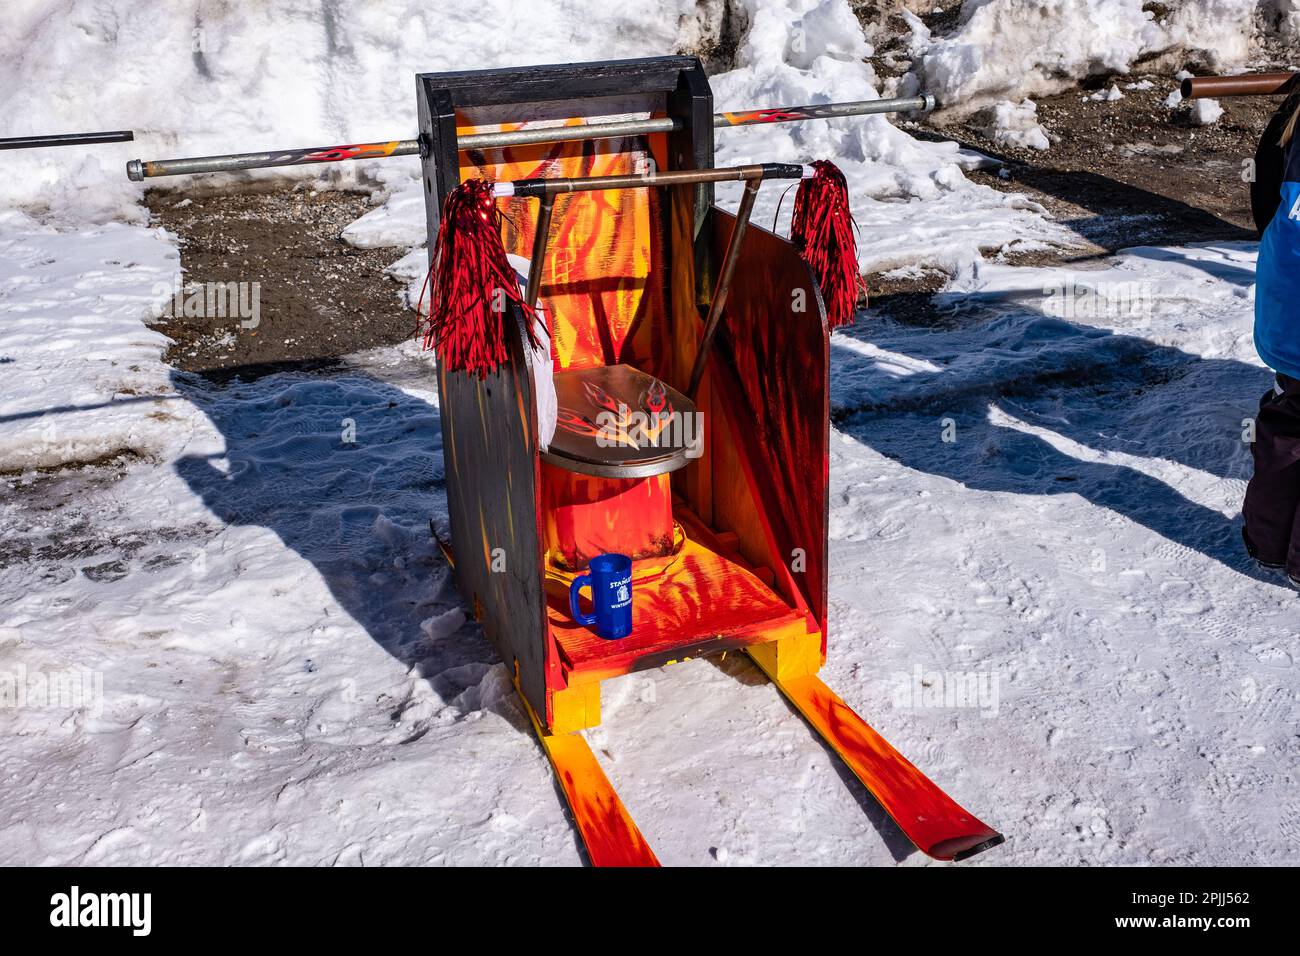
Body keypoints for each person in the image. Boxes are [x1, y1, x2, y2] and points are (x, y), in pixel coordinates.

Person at [1243, 97, 1300, 586]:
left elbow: (1264, 203)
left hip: (1286, 310)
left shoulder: (1294, 112)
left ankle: (1267, 545)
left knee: (1286, 429)